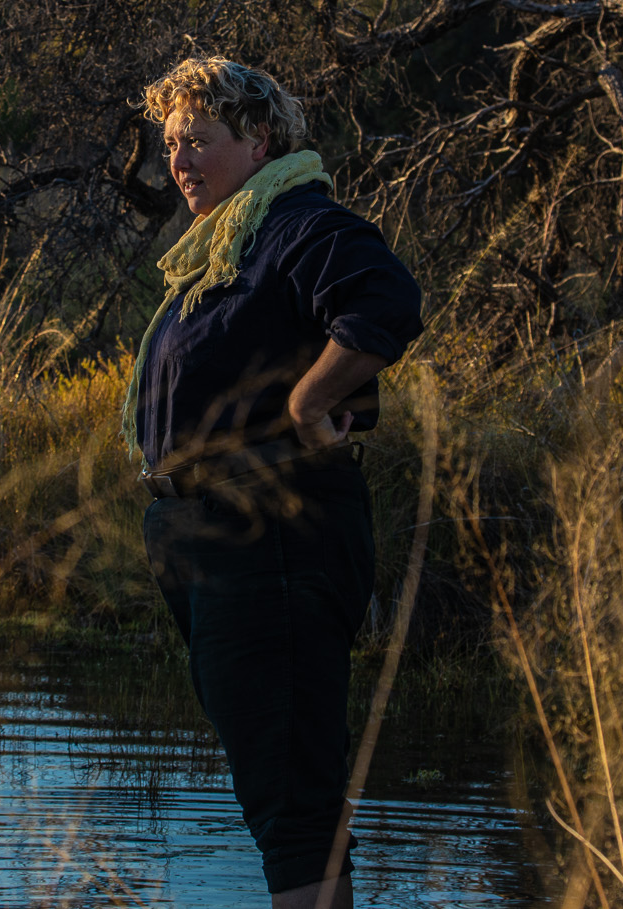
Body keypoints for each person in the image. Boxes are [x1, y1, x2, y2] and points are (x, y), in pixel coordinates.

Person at [125, 57, 424, 909]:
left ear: (260, 140)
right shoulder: (234, 237)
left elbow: (385, 299)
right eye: (172, 144)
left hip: (275, 537)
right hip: (215, 540)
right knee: (274, 787)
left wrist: (309, 395)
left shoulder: (298, 222)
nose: (180, 161)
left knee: (292, 798)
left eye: (201, 141)